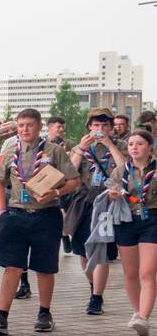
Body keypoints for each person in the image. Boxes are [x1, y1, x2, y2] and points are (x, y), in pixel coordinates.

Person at [0, 108, 80, 336]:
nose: (24, 129)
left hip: (46, 214)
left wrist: (55, 194)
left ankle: (44, 313)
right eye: (20, 126)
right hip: (16, 215)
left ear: (39, 127)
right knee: (12, 265)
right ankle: (1, 316)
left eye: (29, 125)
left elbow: (74, 180)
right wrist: (2, 208)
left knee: (44, 267)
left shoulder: (54, 151)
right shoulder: (10, 153)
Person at [67, 110, 123, 315]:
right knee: (83, 251)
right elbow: (69, 173)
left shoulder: (121, 146)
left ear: (110, 127)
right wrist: (81, 149)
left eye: (104, 125)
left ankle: (97, 297)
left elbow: (124, 168)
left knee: (102, 251)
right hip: (84, 202)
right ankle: (93, 286)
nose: (100, 130)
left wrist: (110, 145)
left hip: (108, 202)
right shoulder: (80, 148)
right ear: (89, 126)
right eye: (96, 125)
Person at [105, 129, 157, 336]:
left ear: (150, 147)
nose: (134, 148)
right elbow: (110, 192)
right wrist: (113, 195)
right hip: (126, 220)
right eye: (131, 144)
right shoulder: (121, 170)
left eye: (140, 144)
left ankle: (144, 316)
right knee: (130, 273)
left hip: (152, 218)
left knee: (147, 272)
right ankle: (137, 314)